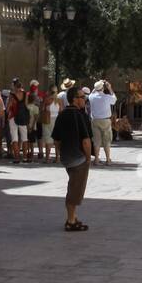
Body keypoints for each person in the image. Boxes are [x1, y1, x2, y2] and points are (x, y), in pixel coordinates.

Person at [51, 86, 93, 231]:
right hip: (79, 158)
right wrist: (88, 158)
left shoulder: (62, 115)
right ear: (74, 99)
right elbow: (86, 141)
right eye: (82, 97)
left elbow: (56, 140)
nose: (84, 99)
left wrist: (62, 151)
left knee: (73, 186)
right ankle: (70, 220)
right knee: (75, 190)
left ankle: (73, 217)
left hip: (67, 158)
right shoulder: (80, 115)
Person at [88, 79, 115, 165]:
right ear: (103, 88)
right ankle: (108, 159)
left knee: (96, 141)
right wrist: (109, 87)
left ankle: (96, 159)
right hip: (105, 120)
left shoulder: (91, 97)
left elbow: (92, 93)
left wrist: (98, 84)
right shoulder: (107, 97)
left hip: (95, 120)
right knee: (107, 141)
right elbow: (114, 99)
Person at [40, 83, 63, 163]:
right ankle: (57, 158)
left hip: (47, 120)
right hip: (57, 120)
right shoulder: (59, 100)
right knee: (56, 140)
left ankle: (47, 158)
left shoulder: (46, 99)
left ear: (49, 91)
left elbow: (42, 109)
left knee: (48, 139)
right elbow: (61, 111)